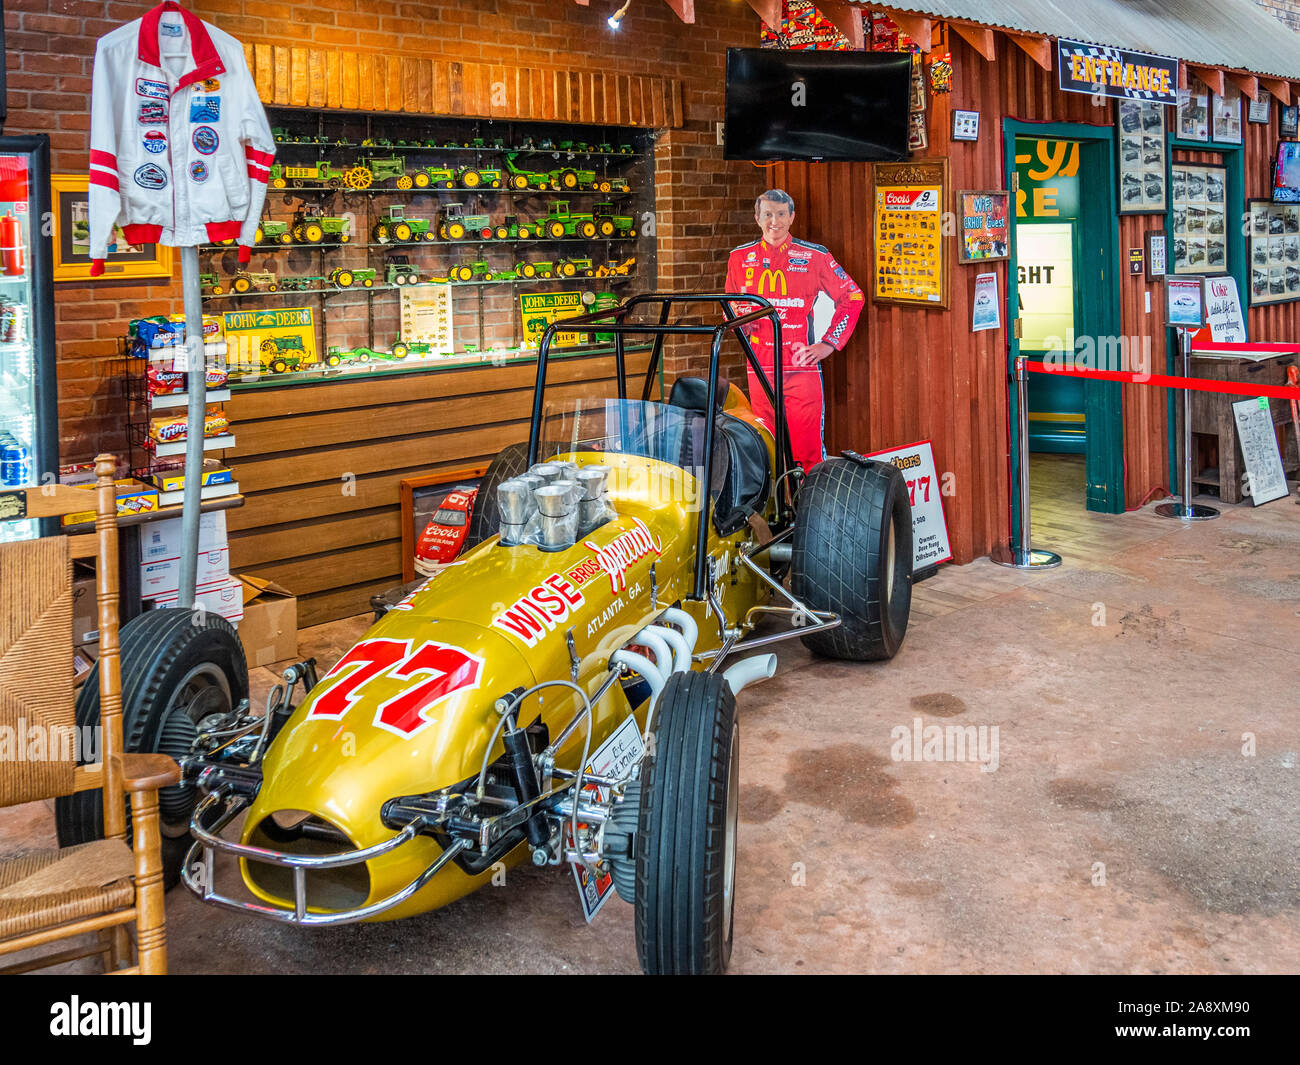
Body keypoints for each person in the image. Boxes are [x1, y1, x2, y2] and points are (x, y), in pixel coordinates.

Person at [725, 189, 865, 471]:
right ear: (757, 218)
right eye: (767, 214)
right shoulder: (739, 257)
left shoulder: (815, 255)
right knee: (765, 447)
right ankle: (776, 511)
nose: (773, 221)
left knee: (807, 451)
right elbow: (730, 307)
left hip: (800, 366)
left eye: (780, 214)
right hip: (759, 364)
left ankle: (808, 512)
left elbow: (853, 297)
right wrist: (740, 321)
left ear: (791, 217)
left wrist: (826, 345)